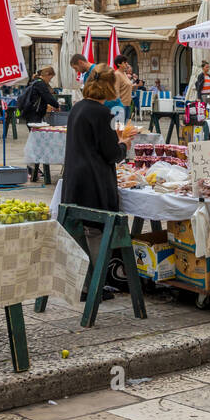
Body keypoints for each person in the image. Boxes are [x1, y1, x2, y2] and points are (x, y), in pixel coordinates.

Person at [62, 67, 138, 300]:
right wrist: (124, 143)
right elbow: (111, 154)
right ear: (109, 87)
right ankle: (93, 286)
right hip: (93, 182)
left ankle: (83, 283)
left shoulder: (77, 108)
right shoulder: (100, 113)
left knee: (81, 234)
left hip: (75, 179)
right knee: (96, 233)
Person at [107, 55, 134, 122]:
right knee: (119, 128)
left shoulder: (124, 73)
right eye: (124, 62)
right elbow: (116, 91)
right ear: (119, 64)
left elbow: (127, 87)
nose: (127, 64)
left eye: (126, 62)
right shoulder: (117, 74)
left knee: (125, 128)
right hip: (120, 105)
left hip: (127, 104)